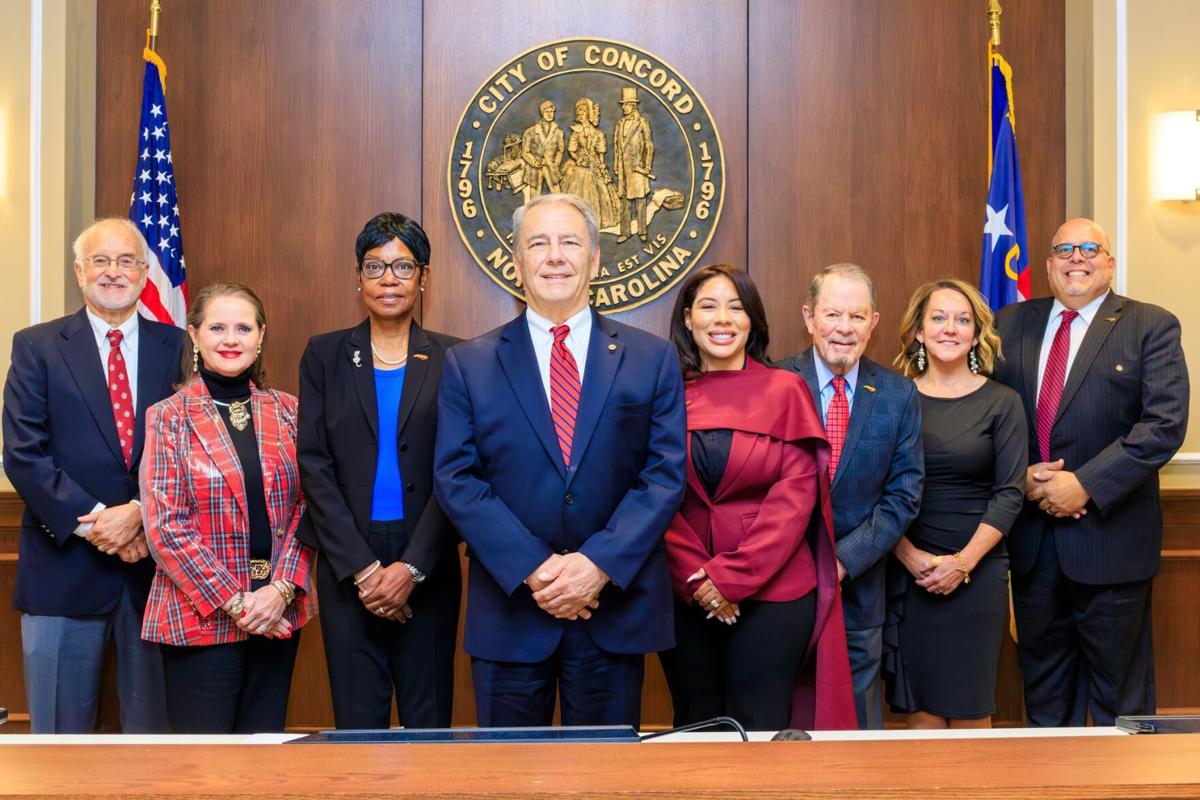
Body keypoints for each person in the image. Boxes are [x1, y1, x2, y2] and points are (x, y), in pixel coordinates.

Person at [434, 193, 686, 728]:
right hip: (511, 614)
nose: (555, 256)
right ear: (516, 261)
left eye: (570, 242)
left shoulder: (651, 358)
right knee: (508, 783)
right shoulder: (468, 364)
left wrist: (596, 566)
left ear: (594, 259)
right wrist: (538, 568)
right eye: (538, 243)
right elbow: (458, 480)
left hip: (612, 610)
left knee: (608, 783)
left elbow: (663, 475)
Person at [992, 218, 1189, 726]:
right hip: (1033, 547)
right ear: (1049, 264)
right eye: (1063, 249)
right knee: (1044, 696)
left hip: (1112, 542)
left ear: (1110, 262)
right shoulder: (1010, 322)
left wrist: (1085, 483)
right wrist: (1021, 473)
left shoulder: (1150, 324)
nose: (1076, 258)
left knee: (1117, 701)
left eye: (1089, 248)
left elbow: (1164, 425)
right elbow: (986, 417)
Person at [3, 218, 184, 733]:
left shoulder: (177, 347)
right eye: (100, 261)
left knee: (160, 746)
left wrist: (143, 517)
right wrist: (102, 524)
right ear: (79, 270)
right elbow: (24, 455)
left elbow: (195, 453)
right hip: (63, 570)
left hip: (158, 574)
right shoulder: (36, 346)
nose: (113, 272)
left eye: (126, 260)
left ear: (145, 273)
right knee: (59, 747)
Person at [658, 264, 856, 731]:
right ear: (687, 319)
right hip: (685, 593)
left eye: (736, 307)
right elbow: (651, 491)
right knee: (694, 724)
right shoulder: (662, 392)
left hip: (775, 594)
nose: (722, 319)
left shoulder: (785, 389)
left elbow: (795, 497)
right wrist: (698, 580)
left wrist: (730, 578)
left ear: (753, 321)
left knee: (762, 724)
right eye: (708, 306)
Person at [297, 212, 462, 729]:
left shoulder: (456, 358)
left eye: (403, 266)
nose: (388, 280)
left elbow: (458, 469)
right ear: (358, 276)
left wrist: (411, 569)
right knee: (356, 725)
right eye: (375, 267)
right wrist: (365, 571)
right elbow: (314, 463)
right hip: (350, 565)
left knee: (429, 722)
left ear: (424, 277)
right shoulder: (324, 355)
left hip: (427, 563)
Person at [139, 282, 315, 733]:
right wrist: (238, 603)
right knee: (206, 770)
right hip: (199, 619)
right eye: (217, 327)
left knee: (264, 766)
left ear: (261, 336)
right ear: (194, 335)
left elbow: (310, 507)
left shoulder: (289, 411)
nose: (231, 339)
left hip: (278, 613)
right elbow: (166, 527)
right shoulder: (168, 417)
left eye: (243, 327)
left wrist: (279, 592)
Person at [778, 263, 923, 729]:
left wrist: (841, 562)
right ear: (809, 317)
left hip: (859, 586)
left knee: (857, 719)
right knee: (779, 713)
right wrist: (799, 562)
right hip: (779, 582)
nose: (844, 328)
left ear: (874, 323)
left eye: (857, 317)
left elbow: (903, 495)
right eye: (832, 314)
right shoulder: (774, 383)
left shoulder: (899, 395)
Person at [883, 279, 1026, 728]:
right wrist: (910, 557)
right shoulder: (893, 398)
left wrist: (962, 563)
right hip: (910, 573)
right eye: (939, 318)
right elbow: (873, 488)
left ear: (976, 333)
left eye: (962, 320)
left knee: (970, 712)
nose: (951, 328)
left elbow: (1010, 494)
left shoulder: (1003, 402)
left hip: (978, 573)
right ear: (919, 331)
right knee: (921, 713)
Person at [561, 97, 620, 229]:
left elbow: (601, 153)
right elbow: (571, 150)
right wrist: (578, 159)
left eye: (582, 112)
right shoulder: (576, 132)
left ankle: (596, 221)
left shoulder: (598, 134)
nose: (579, 115)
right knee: (576, 190)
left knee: (599, 192)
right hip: (580, 166)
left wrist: (601, 165)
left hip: (594, 165)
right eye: (578, 113)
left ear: (589, 114)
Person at [612, 87, 654, 243]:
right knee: (624, 200)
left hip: (638, 168)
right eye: (622, 104)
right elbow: (616, 146)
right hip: (624, 169)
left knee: (640, 200)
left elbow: (649, 146)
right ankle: (625, 232)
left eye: (625, 104)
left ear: (633, 105)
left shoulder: (642, 122)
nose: (622, 107)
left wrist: (647, 167)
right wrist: (617, 165)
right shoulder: (620, 123)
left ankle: (643, 230)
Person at [522, 100, 565, 196]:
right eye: (547, 112)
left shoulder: (559, 133)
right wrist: (534, 162)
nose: (550, 114)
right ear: (542, 113)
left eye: (552, 112)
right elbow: (525, 152)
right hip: (535, 169)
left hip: (551, 167)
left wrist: (556, 163)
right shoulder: (530, 132)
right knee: (535, 198)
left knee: (557, 195)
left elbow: (560, 151)